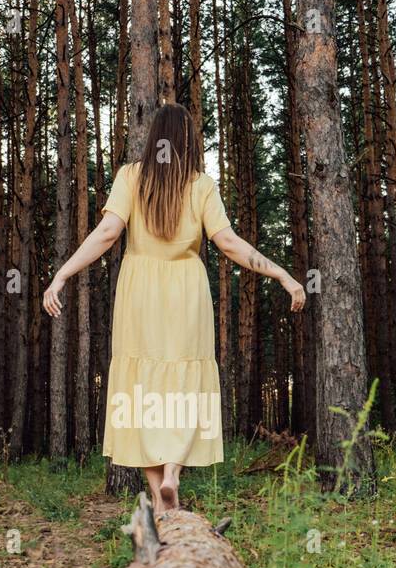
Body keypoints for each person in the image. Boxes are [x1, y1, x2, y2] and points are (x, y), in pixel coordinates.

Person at [44, 104, 305, 515]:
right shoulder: (201, 184)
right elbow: (230, 244)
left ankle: (159, 496)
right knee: (187, 387)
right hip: (186, 290)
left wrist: (62, 274)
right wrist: (282, 274)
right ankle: (173, 476)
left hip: (139, 291)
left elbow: (108, 232)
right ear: (189, 139)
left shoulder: (130, 176)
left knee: (141, 389)